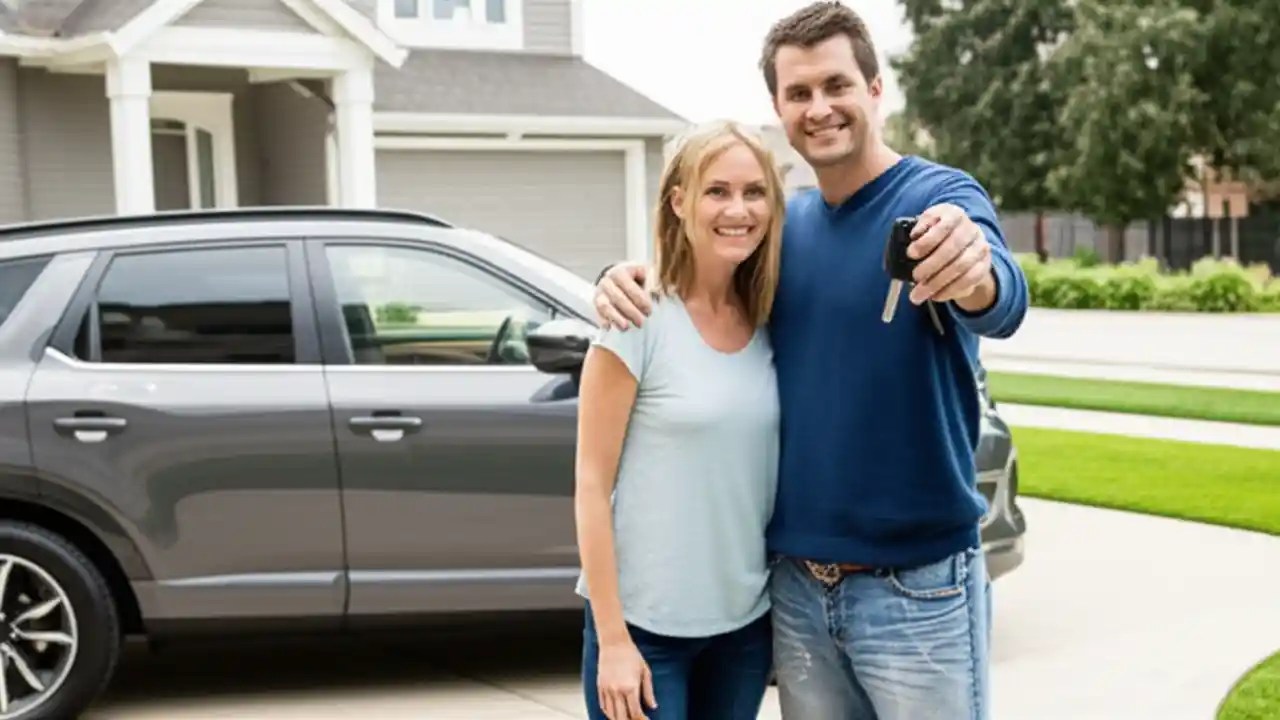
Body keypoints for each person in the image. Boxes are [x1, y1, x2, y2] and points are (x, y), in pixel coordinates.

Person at [591, 3, 1030, 720]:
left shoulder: (939, 198)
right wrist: (625, 274)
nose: (819, 108)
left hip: (918, 592)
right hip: (797, 593)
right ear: (779, 108)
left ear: (876, 89)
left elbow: (999, 295)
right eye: (799, 93)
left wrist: (974, 270)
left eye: (836, 85)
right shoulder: (783, 230)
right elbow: (702, 282)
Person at [574, 119, 787, 720]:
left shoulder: (772, 317)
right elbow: (591, 485)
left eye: (754, 192)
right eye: (717, 190)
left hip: (743, 630)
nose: (737, 209)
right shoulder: (636, 317)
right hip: (643, 633)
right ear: (679, 201)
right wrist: (613, 641)